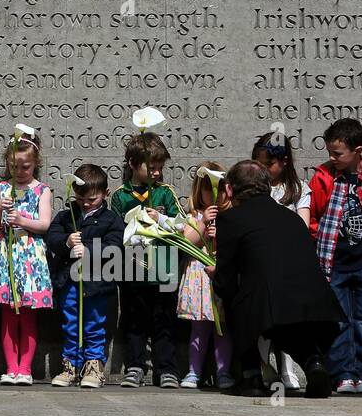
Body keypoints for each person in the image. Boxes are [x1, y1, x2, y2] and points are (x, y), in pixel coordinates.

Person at [212, 160, 344, 399]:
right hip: (317, 305)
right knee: (283, 320)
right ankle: (314, 363)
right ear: (267, 187)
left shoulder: (230, 219)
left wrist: (220, 290)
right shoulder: (291, 218)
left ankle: (251, 376)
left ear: (230, 190)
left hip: (271, 304)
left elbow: (226, 278)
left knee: (240, 303)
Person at [308, 118, 362, 394]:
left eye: (338, 153)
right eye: (330, 153)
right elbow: (315, 217)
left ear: (357, 150)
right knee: (339, 320)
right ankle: (343, 374)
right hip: (335, 262)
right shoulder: (323, 177)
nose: (332, 158)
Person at [113, 131, 181, 388]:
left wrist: (160, 220)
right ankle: (135, 365)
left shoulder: (166, 193)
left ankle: (167, 368)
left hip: (164, 261)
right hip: (134, 263)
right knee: (135, 317)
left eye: (160, 168)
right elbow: (117, 229)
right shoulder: (121, 195)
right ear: (132, 164)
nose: (156, 173)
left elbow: (179, 225)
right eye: (151, 168)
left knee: (164, 317)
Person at [46, 164, 123, 389]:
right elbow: (52, 236)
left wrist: (88, 249)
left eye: (92, 199)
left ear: (105, 194)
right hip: (69, 281)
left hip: (97, 283)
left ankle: (93, 365)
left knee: (94, 324)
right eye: (81, 199)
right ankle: (70, 364)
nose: (86, 204)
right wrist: (66, 242)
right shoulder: (66, 216)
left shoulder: (111, 219)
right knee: (71, 322)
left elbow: (116, 246)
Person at [0, 130, 53, 384]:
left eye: (25, 166)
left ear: (36, 163)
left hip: (30, 256)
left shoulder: (42, 190)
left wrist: (23, 221)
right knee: (7, 315)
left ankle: (25, 369)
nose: (20, 171)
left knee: (27, 313)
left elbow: (45, 224)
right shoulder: (1, 188)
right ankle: (10, 367)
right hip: (6, 254)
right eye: (14, 166)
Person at [250, 132, 312, 390]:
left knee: (286, 321)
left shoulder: (297, 189)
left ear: (283, 161)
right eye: (258, 164)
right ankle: (263, 367)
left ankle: (287, 370)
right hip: (260, 263)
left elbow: (303, 226)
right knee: (263, 321)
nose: (262, 170)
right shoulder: (253, 189)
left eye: (267, 164)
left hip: (287, 264)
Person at [177, 161, 232, 390]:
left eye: (218, 188)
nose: (214, 194)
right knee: (199, 328)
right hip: (198, 277)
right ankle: (193, 372)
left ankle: (223, 372)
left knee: (223, 328)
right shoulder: (193, 216)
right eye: (208, 189)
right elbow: (187, 242)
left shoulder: (231, 216)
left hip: (219, 274)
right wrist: (203, 221)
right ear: (200, 191)